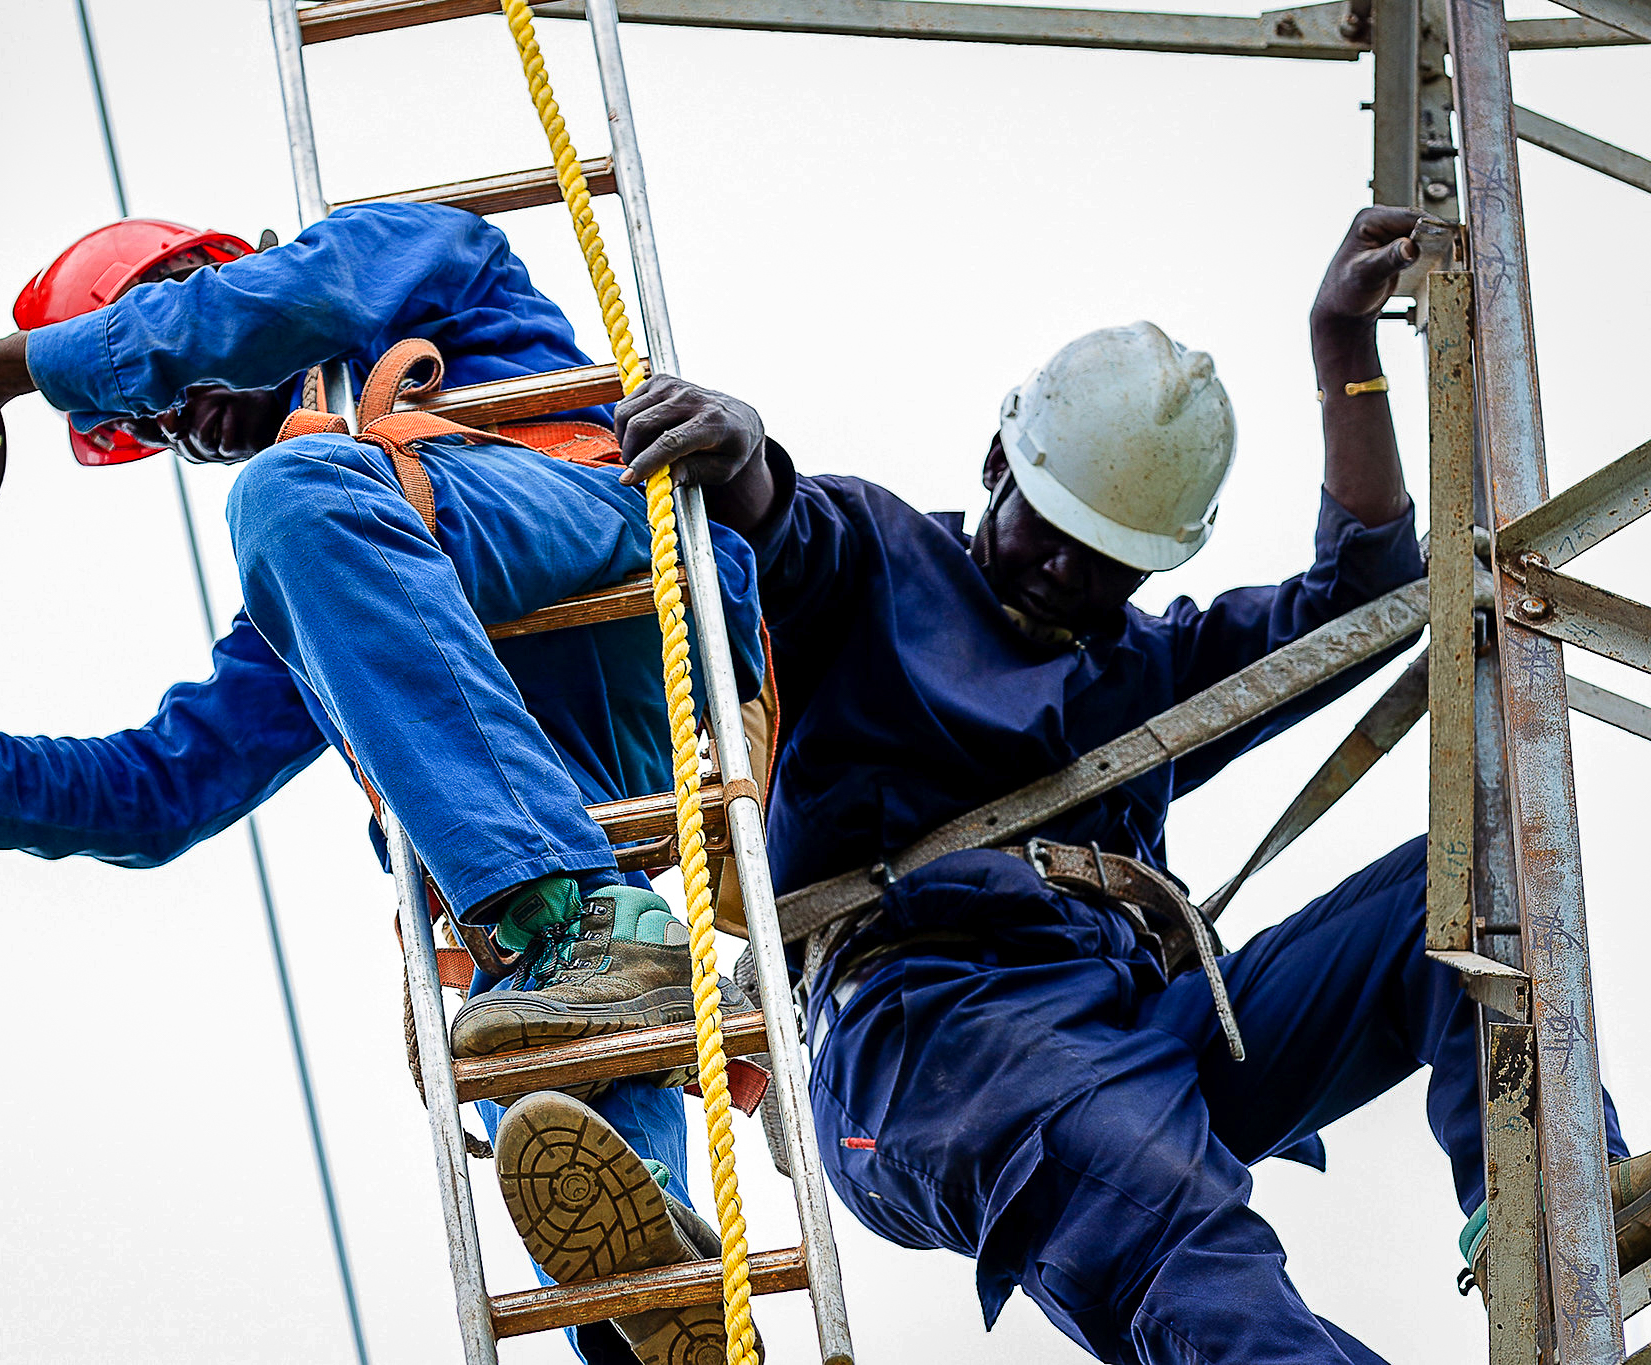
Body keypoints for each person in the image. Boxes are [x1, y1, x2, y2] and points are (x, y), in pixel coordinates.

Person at [600, 206, 1642, 1364]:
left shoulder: (1139, 669)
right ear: (999, 464)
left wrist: (1337, 342)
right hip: (940, 1040)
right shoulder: (880, 564)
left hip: (1141, 1023)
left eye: (1106, 563)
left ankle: (1558, 1218)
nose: (1064, 569)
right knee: (1167, 1223)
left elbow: (1365, 594)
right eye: (1049, 531)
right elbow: (781, 528)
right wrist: (742, 450)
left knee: (1457, 886)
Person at [0, 199, 768, 1365]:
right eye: (154, 425)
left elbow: (290, 306)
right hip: (567, 771)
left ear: (206, 277)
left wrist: (18, 366)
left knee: (294, 501)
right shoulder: (330, 575)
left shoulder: (394, 266)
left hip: (596, 531)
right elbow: (154, 789)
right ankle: (659, 1312)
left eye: (156, 359)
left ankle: (578, 917)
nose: (175, 414)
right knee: (552, 1099)